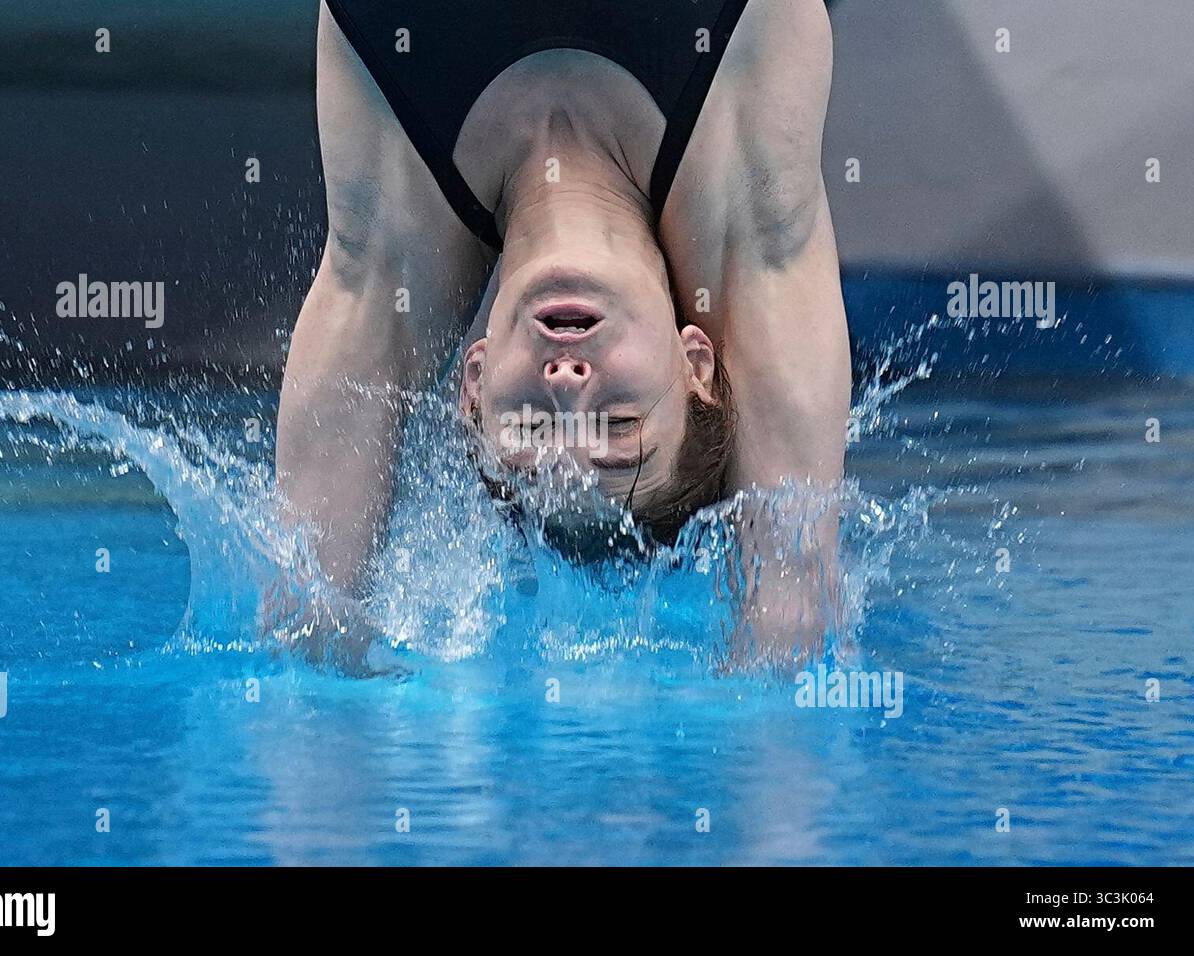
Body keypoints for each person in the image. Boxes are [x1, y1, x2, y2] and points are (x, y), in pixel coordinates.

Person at [277, 0, 851, 666]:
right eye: (618, 426)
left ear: (475, 383)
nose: (569, 386)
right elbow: (789, 615)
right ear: (697, 368)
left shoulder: (388, 252)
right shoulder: (742, 176)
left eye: (531, 428)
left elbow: (310, 631)